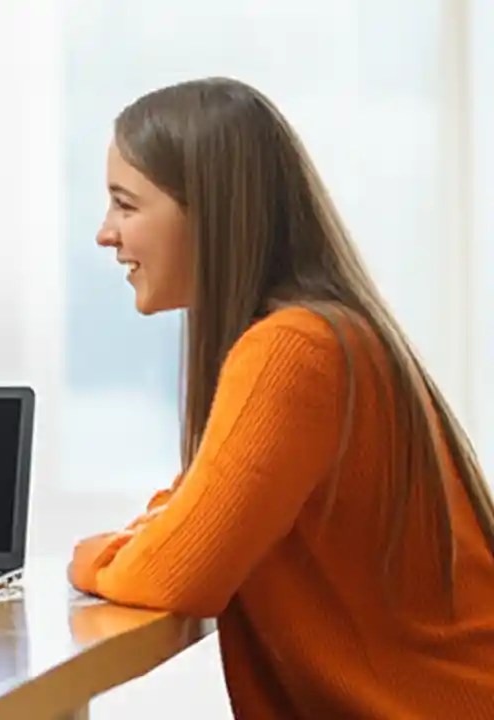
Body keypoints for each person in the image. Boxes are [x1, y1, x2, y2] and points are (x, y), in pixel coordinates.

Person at [69, 77, 494, 717]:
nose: (106, 234)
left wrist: (90, 558)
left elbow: (175, 572)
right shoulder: (326, 334)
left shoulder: (293, 350)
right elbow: (188, 509)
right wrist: (150, 538)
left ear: (208, 213)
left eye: (125, 206)